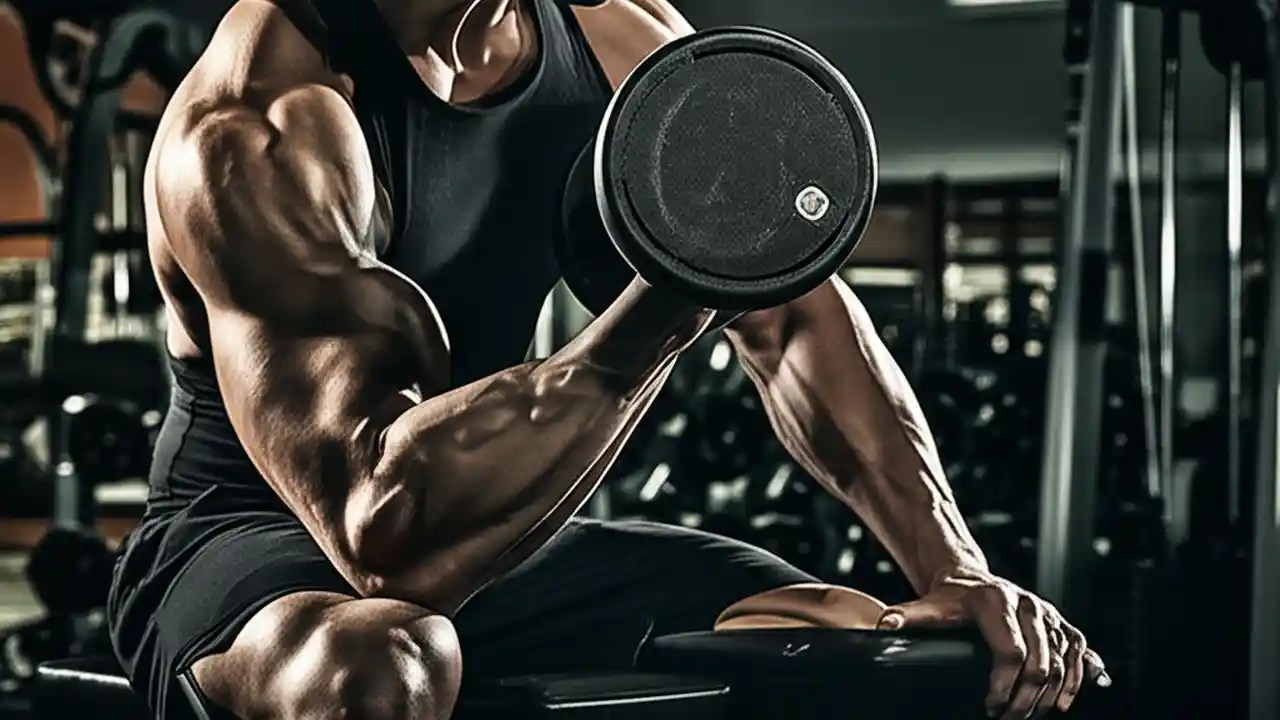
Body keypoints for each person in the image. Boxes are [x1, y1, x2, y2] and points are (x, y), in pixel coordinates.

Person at [106, 0, 1108, 718]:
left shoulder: (618, 35)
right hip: (253, 542)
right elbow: (383, 534)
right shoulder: (259, 122)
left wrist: (955, 570)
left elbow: (796, 317)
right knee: (380, 663)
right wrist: (672, 297)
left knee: (854, 641)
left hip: (503, 531)